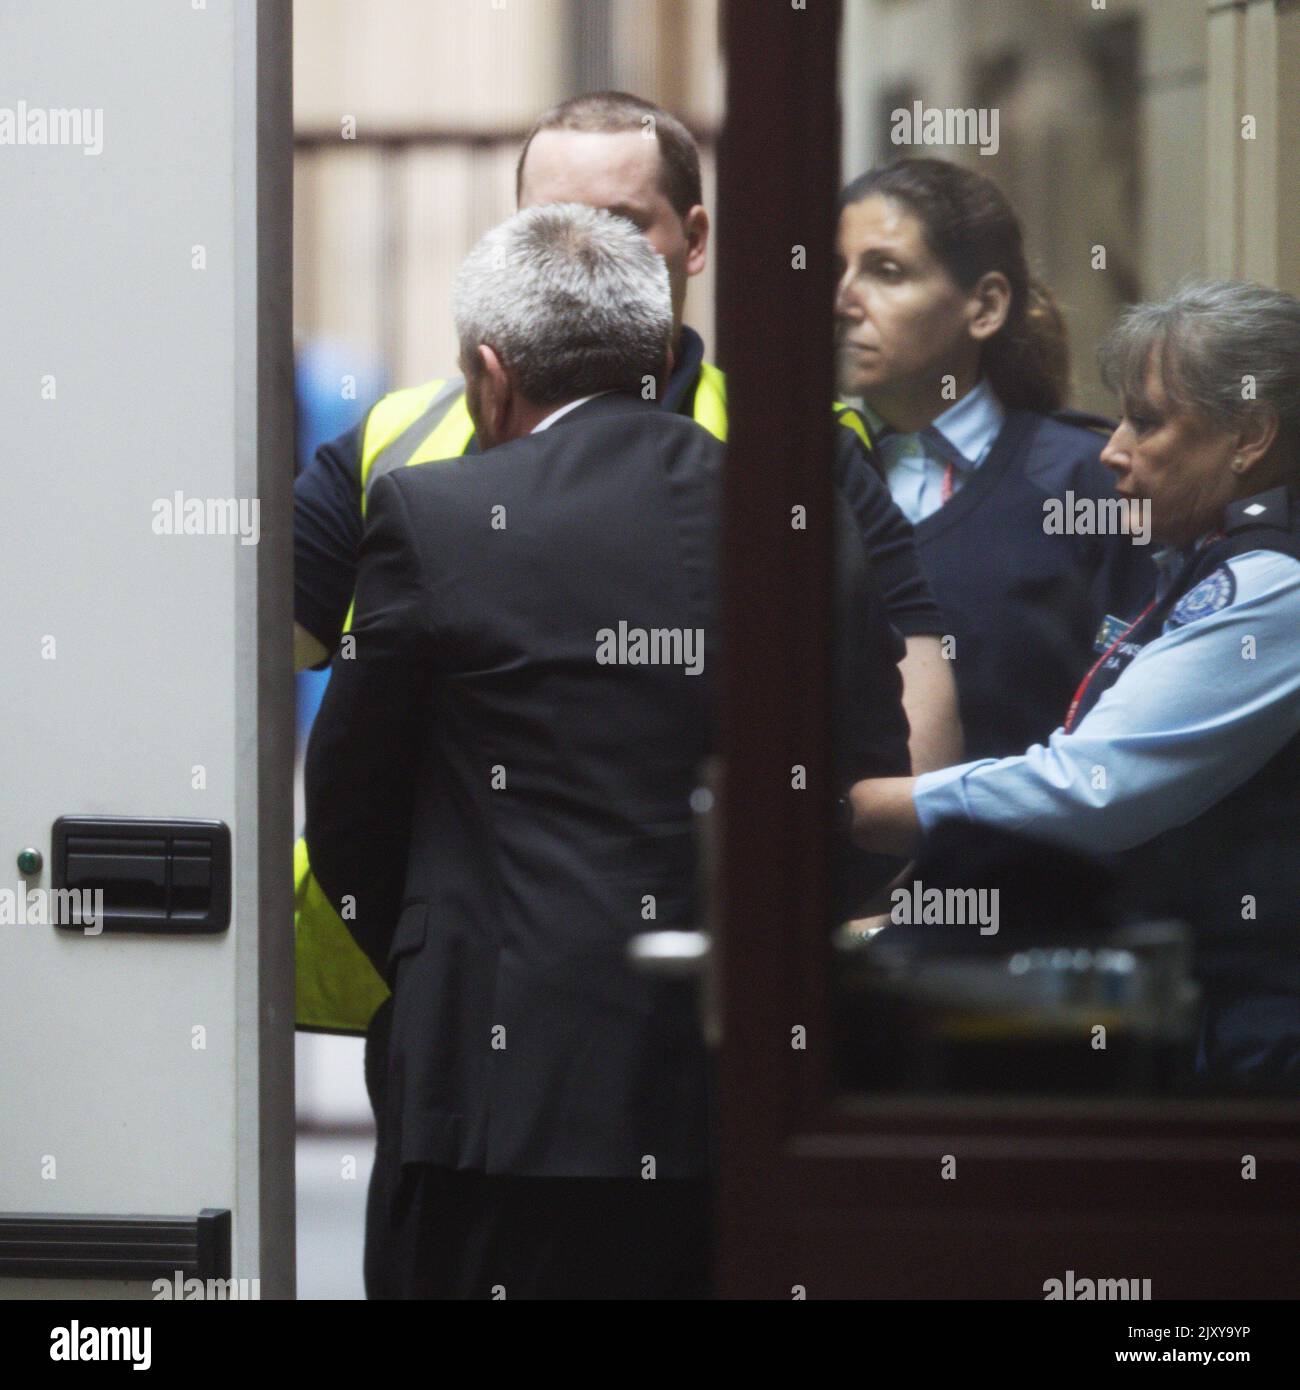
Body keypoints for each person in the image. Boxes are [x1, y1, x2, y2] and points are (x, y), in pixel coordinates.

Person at [304, 204, 911, 1298]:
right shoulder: (800, 515)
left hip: (497, 1099)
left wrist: (440, 949)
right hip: (748, 1098)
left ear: (489, 375)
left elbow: (349, 810)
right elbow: (866, 791)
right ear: (657, 350)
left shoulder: (434, 515)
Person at [293, 92, 954, 1036]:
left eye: (619, 223)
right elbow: (249, 668)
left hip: (712, 999)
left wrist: (812, 929)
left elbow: (902, 732)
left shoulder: (795, 453)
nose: (581, 249)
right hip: (452, 1010)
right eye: (547, 223)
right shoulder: (399, 442)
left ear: (693, 240)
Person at [848, 281, 1300, 1088]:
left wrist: (867, 810)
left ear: (1250, 436)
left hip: (1257, 1044)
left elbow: (1089, 790)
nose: (1112, 449)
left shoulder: (1275, 585)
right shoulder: (1206, 558)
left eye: (1149, 421)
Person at [835, 157, 1156, 760]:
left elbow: (1135, 722)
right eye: (834, 270)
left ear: (983, 307)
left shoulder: (1088, 480)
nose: (842, 300)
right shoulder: (802, 474)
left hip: (1032, 846)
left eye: (886, 271)